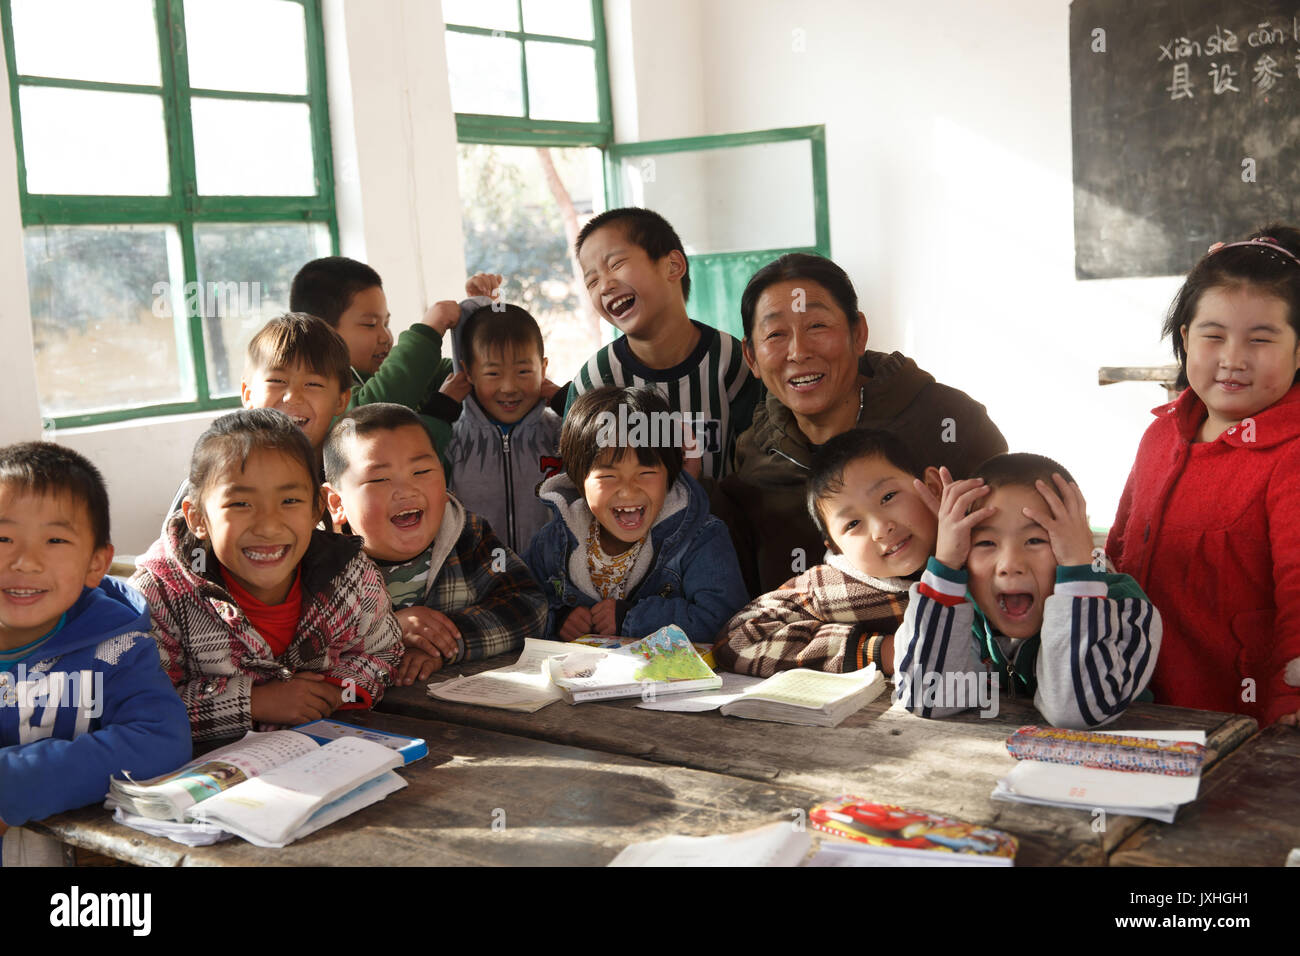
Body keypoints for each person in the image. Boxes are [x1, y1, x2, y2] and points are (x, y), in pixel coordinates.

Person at [714, 253, 1007, 597]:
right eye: (776, 334)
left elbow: (1008, 553)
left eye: (817, 326)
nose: (798, 351)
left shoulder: (951, 421)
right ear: (751, 357)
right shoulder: (755, 458)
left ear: (858, 333)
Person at [1109, 225, 1300, 727]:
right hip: (1137, 711)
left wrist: (1287, 719)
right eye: (1213, 336)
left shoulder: (1292, 456)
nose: (1233, 359)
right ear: (1185, 337)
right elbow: (1118, 554)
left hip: (1243, 729)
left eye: (1261, 339)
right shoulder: (1160, 436)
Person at [131, 409, 403, 742]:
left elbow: (383, 652)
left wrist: (337, 691)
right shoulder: (161, 595)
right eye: (241, 504)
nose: (268, 526)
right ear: (198, 517)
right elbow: (140, 704)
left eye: (289, 500)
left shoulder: (349, 574)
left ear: (317, 507)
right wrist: (252, 702)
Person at [0, 443, 190, 865]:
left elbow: (161, 741)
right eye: (3, 536)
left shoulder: (115, 645)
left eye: (54, 539)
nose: (25, 561)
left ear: (96, 563)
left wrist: (13, 782)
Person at [893, 454, 1161, 729]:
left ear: (1078, 545)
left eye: (1035, 540)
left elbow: (1075, 713)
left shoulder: (1126, 608)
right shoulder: (955, 609)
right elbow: (930, 698)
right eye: (986, 542)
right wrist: (946, 567)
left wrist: (1079, 577)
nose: (1010, 565)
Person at [323, 403, 547, 682]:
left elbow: (529, 605)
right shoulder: (320, 564)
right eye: (380, 478)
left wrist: (445, 641)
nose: (406, 490)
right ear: (336, 502)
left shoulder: (469, 535)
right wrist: (389, 631)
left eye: (421, 472)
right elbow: (302, 649)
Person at [525, 386, 748, 645]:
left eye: (646, 473)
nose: (628, 491)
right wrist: (559, 618)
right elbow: (522, 601)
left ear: (671, 473)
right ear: (578, 479)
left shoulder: (701, 538)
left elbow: (724, 621)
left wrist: (631, 617)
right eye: (608, 476)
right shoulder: (553, 542)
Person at [714, 428, 940, 677]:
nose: (880, 529)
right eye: (852, 524)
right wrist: (879, 651)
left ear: (933, 487)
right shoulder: (829, 586)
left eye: (888, 497)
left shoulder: (982, 554)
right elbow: (735, 641)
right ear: (835, 547)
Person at [568, 207, 762, 482]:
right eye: (592, 281)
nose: (604, 286)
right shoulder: (595, 380)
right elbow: (577, 482)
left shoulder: (732, 362)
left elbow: (757, 472)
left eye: (616, 264)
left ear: (673, 266)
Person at [164, 312, 352, 516]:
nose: (292, 397)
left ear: (341, 400)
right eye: (277, 381)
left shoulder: (350, 480)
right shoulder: (214, 478)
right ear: (247, 393)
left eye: (313, 384)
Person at [290, 256, 465, 459]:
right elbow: (372, 412)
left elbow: (462, 371)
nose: (385, 337)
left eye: (386, 324)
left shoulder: (374, 375)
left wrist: (477, 315)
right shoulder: (318, 391)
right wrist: (427, 333)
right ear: (323, 332)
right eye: (371, 324)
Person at [444, 300, 563, 554]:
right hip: (478, 585)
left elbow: (605, 439)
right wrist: (439, 409)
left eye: (523, 371)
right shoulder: (453, 441)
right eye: (493, 374)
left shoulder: (558, 433)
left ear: (543, 368)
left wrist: (567, 401)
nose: (509, 387)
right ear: (469, 373)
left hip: (550, 584)